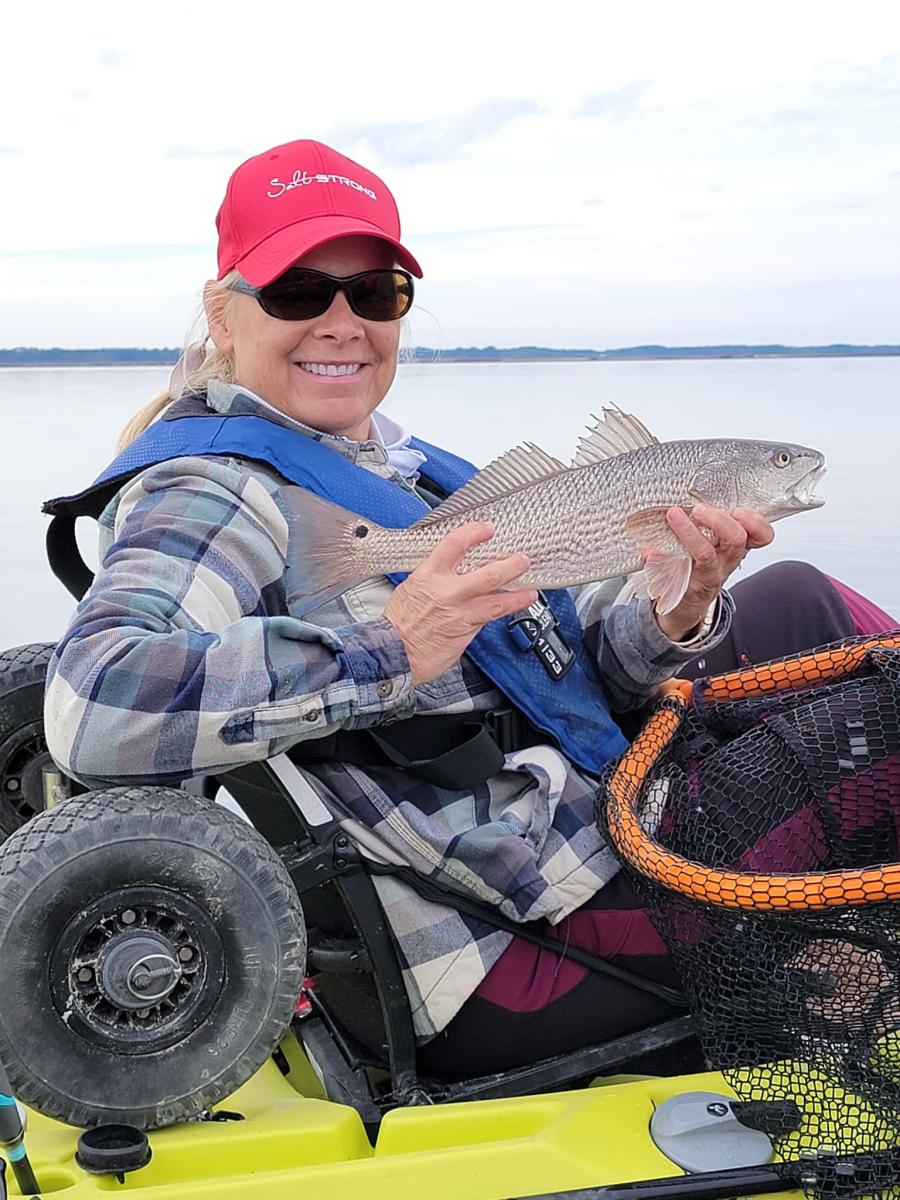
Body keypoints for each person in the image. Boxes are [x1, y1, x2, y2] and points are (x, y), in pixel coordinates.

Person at [43, 139, 897, 1078]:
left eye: (375, 293)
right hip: (523, 941)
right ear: (224, 313)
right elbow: (92, 706)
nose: (342, 323)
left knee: (802, 599)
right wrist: (388, 649)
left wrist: (676, 609)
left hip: (584, 816)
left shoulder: (402, 476)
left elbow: (559, 680)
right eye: (298, 292)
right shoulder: (215, 491)